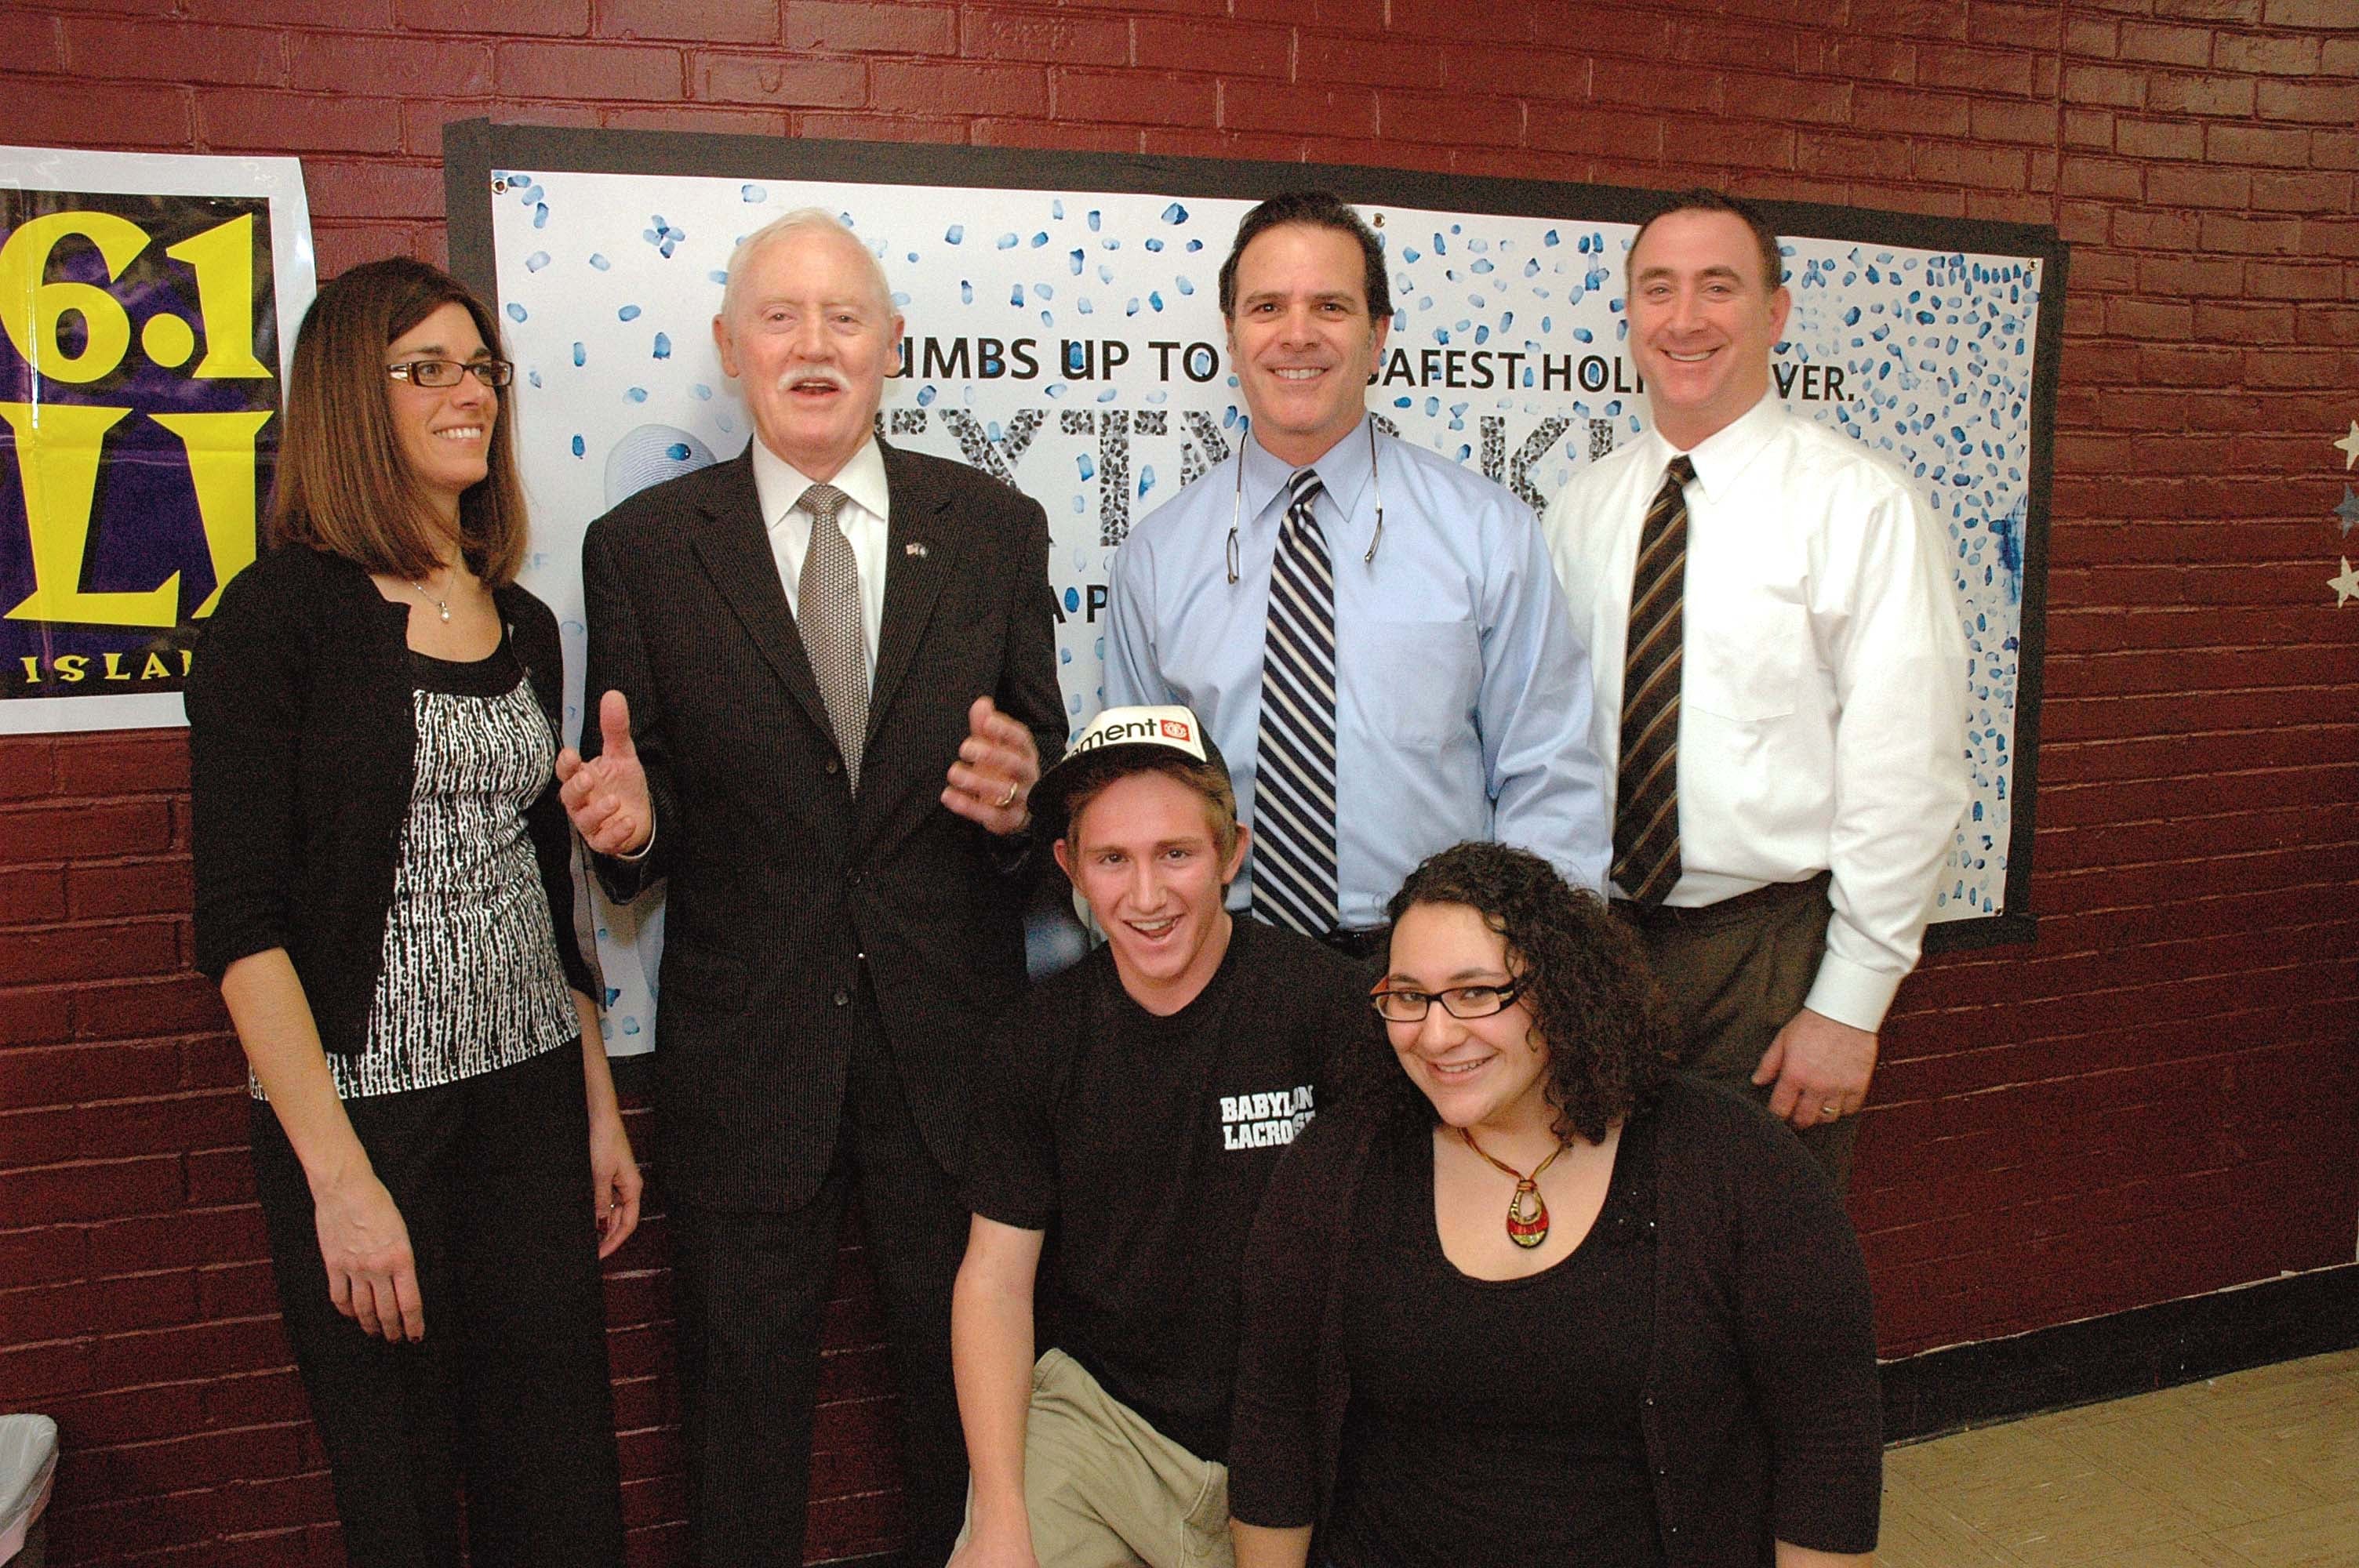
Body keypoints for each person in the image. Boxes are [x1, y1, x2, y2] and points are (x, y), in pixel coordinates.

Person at [554, 209, 1064, 1568]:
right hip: (747, 1057)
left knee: (966, 1421)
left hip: (952, 1058)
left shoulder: (995, 528)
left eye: (845, 317)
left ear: (893, 346)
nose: (814, 345)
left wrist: (1027, 806)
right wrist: (628, 826)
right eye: (779, 317)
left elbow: (1041, 768)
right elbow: (636, 796)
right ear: (730, 349)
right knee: (739, 1423)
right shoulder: (647, 546)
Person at [187, 258, 638, 1565]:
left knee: (556, 1480)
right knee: (400, 1490)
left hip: (529, 1104)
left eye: (480, 368)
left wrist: (595, 1111)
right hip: (365, 1121)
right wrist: (341, 1183)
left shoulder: (523, 620)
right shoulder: (278, 620)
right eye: (425, 369)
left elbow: (545, 892)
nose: (469, 395)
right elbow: (240, 926)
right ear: (348, 397)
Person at [1227, 843, 1883, 1568]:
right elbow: (1274, 1417)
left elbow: (1827, 1435)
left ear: (1564, 989)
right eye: (1409, 997)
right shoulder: (1342, 1163)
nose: (1436, 1035)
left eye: (1478, 993)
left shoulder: (1731, 1164)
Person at [1542, 187, 1969, 1185]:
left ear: (1773, 314)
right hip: (1599, 944)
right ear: (1629, 313)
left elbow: (1907, 776)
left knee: (1758, 1260)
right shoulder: (1581, 510)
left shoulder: (1863, 510)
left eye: (1717, 287)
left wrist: (1848, 1002)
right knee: (1595, 1238)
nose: (1683, 319)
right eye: (1658, 289)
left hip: (1768, 957)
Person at [1105, 190, 1609, 960]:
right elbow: (1133, 799)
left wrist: (1530, 963)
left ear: (1377, 338)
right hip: (1225, 965)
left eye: (1330, 307)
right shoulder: (1155, 557)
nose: (1296, 335)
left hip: (1438, 968)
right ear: (1232, 336)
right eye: (1267, 307)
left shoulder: (1486, 532)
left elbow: (1548, 772)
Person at [949, 706, 1379, 1568]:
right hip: (1105, 1430)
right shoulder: (1034, 1042)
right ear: (1069, 866)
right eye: (1112, 859)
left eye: (1174, 854)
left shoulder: (1329, 1009)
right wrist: (999, 1514)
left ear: (1231, 851)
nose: (1144, 897)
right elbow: (994, 1278)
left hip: (1306, 1434)